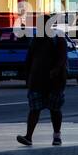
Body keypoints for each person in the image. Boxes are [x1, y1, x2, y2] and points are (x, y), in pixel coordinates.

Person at [18, 18, 67, 146]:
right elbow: (29, 58)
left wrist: (55, 71)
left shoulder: (58, 39)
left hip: (54, 82)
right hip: (36, 80)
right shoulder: (36, 39)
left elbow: (62, 59)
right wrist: (28, 76)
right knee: (34, 109)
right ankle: (28, 136)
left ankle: (57, 136)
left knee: (55, 110)